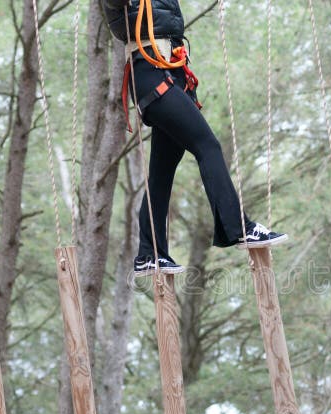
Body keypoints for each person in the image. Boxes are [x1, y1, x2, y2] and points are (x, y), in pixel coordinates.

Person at [103, 0, 287, 277]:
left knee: (162, 170)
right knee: (207, 146)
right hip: (151, 72)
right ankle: (239, 228)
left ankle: (149, 252)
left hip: (171, 69)